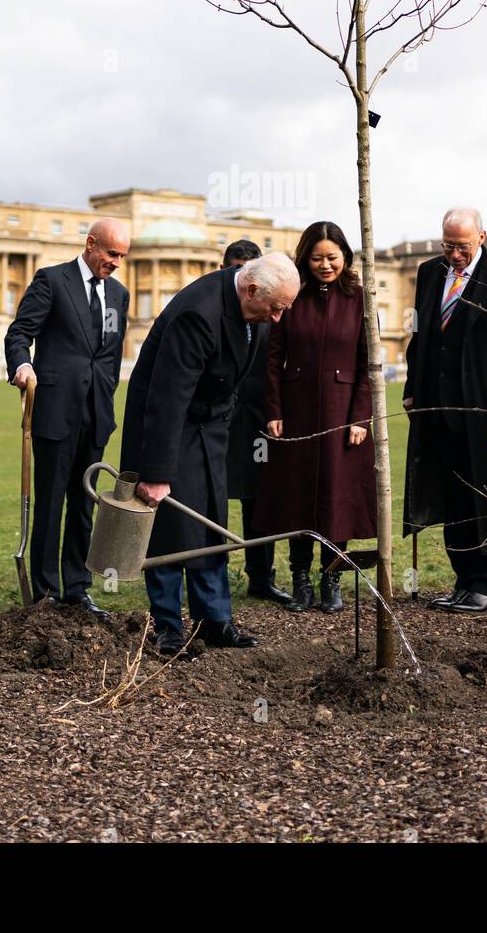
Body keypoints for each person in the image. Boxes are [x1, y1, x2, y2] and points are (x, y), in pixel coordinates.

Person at [120, 252, 300, 655]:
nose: (277, 319)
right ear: (252, 289)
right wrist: (156, 472)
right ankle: (167, 625)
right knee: (171, 523)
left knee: (210, 521)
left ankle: (214, 620)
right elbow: (168, 397)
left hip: (209, 426)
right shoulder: (198, 314)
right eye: (274, 308)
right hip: (170, 426)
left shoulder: (250, 307)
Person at [402, 207, 487, 614]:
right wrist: (411, 389)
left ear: (481, 238)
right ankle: (462, 582)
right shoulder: (428, 273)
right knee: (453, 498)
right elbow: (419, 334)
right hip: (439, 411)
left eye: (461, 246)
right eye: (447, 245)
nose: (454, 254)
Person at [5, 219, 130, 615]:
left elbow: (110, 355)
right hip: (54, 411)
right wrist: (22, 366)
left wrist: (105, 392)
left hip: (96, 415)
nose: (116, 263)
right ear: (91, 244)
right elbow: (19, 334)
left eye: (122, 256)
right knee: (51, 502)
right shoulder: (52, 281)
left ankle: (77, 588)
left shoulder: (119, 294)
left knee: (84, 504)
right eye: (111, 254)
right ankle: (45, 591)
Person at [253, 221, 377, 614]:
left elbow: (367, 362)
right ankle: (301, 582)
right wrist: (274, 410)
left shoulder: (360, 298)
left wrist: (361, 417)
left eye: (332, 258)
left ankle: (332, 579)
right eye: (317, 258)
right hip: (298, 412)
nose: (325, 265)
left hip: (343, 415)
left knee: (337, 499)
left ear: (345, 257)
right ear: (305, 259)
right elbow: (273, 358)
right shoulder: (294, 295)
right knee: (297, 497)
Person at [222, 240, 292, 606]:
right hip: (218, 419)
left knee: (259, 501)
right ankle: (212, 575)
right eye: (236, 268)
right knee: (211, 498)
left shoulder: (271, 312)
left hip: (259, 420)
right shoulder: (213, 308)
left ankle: (261, 578)